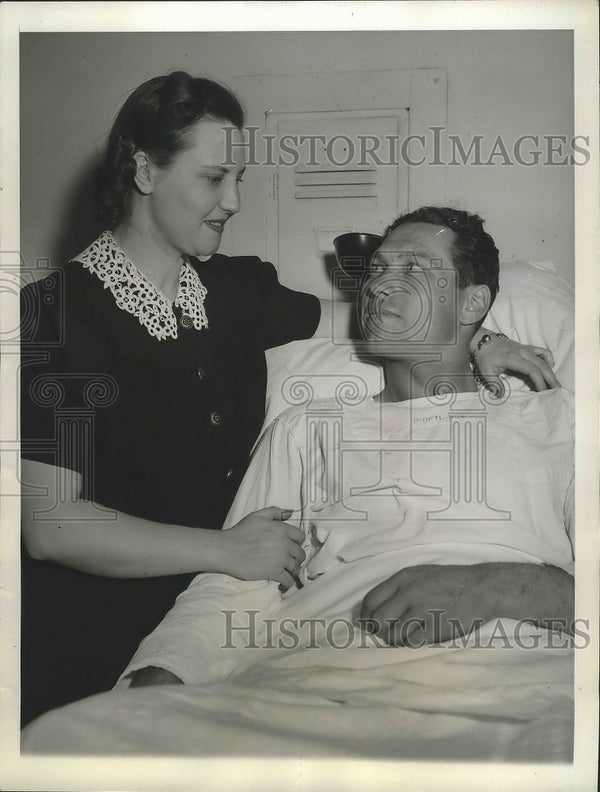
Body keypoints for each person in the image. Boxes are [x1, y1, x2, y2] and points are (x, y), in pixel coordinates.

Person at [19, 68, 559, 724]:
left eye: (240, 180)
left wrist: (483, 338)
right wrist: (225, 554)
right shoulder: (59, 312)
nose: (234, 201)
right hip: (103, 619)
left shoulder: (236, 291)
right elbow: (49, 524)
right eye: (215, 178)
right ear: (144, 171)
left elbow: (379, 318)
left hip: (246, 590)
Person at [114, 207, 573, 689]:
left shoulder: (553, 418)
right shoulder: (307, 427)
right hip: (319, 679)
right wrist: (163, 671)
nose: (377, 285)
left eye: (413, 268)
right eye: (376, 270)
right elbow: (234, 584)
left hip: (508, 682)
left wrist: (496, 589)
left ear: (472, 303)